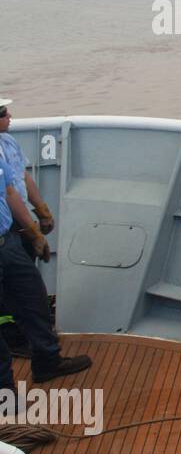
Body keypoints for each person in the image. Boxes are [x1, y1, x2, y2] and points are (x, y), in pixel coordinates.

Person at [0, 153, 91, 396]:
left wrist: (33, 233)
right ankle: (4, 392)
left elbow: (9, 193)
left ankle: (47, 360)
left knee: (33, 298)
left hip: (7, 243)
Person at [0, 98, 57, 354]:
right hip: (10, 229)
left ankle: (35, 342)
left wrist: (42, 212)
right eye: (2, 113)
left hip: (18, 227)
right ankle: (14, 337)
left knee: (28, 290)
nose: (9, 115)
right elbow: (8, 195)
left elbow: (22, 179)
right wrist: (32, 231)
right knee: (15, 295)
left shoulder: (8, 142)